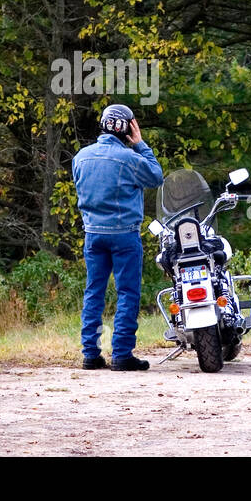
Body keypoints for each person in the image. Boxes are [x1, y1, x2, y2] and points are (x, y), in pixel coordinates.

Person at [71, 103, 165, 371]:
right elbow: (156, 177)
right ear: (128, 128)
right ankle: (122, 354)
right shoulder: (130, 158)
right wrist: (141, 145)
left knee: (94, 292)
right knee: (127, 293)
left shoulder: (81, 157)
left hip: (93, 234)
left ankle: (90, 354)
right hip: (124, 235)